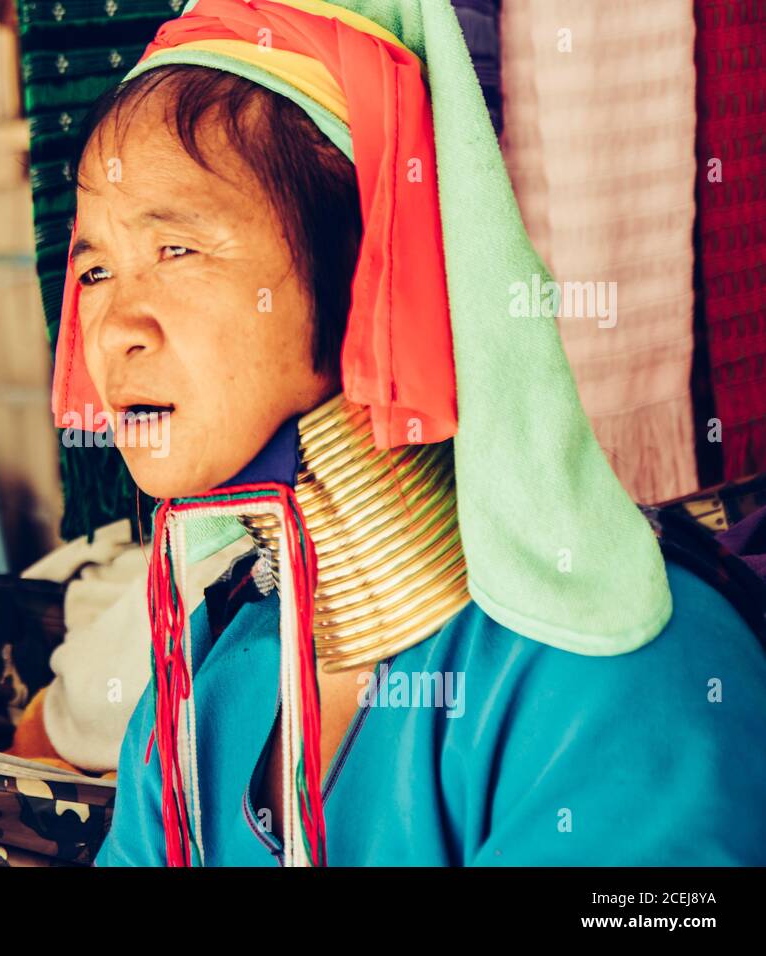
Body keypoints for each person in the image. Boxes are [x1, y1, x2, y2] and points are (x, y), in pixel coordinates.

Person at [45, 0, 766, 866]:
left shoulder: (616, 679)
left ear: (369, 275)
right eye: (93, 268)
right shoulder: (198, 688)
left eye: (177, 250)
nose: (115, 324)